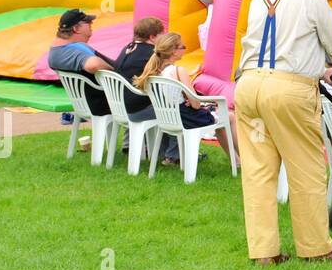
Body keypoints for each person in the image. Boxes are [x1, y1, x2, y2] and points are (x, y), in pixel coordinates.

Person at [234, 0, 332, 266]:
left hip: (248, 87)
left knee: (259, 174)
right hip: (289, 90)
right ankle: (316, 248)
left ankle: (265, 252)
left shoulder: (257, 1)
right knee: (307, 169)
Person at [135, 32, 237, 166]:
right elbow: (196, 104)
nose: (185, 49)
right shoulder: (178, 71)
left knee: (221, 117)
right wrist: (192, 101)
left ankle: (236, 160)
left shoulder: (154, 72)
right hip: (187, 119)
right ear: (173, 51)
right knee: (229, 117)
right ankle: (241, 158)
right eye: (182, 46)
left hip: (167, 119)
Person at [114, 16, 178, 161]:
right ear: (153, 37)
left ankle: (141, 147)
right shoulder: (152, 54)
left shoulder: (127, 48)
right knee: (174, 109)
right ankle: (174, 155)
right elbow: (166, 83)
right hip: (139, 108)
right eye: (162, 34)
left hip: (122, 105)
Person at [47, 9, 117, 118]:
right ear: (75, 29)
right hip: (109, 102)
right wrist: (114, 71)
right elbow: (93, 65)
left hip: (90, 103)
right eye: (87, 22)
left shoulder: (55, 51)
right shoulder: (70, 51)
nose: (91, 24)